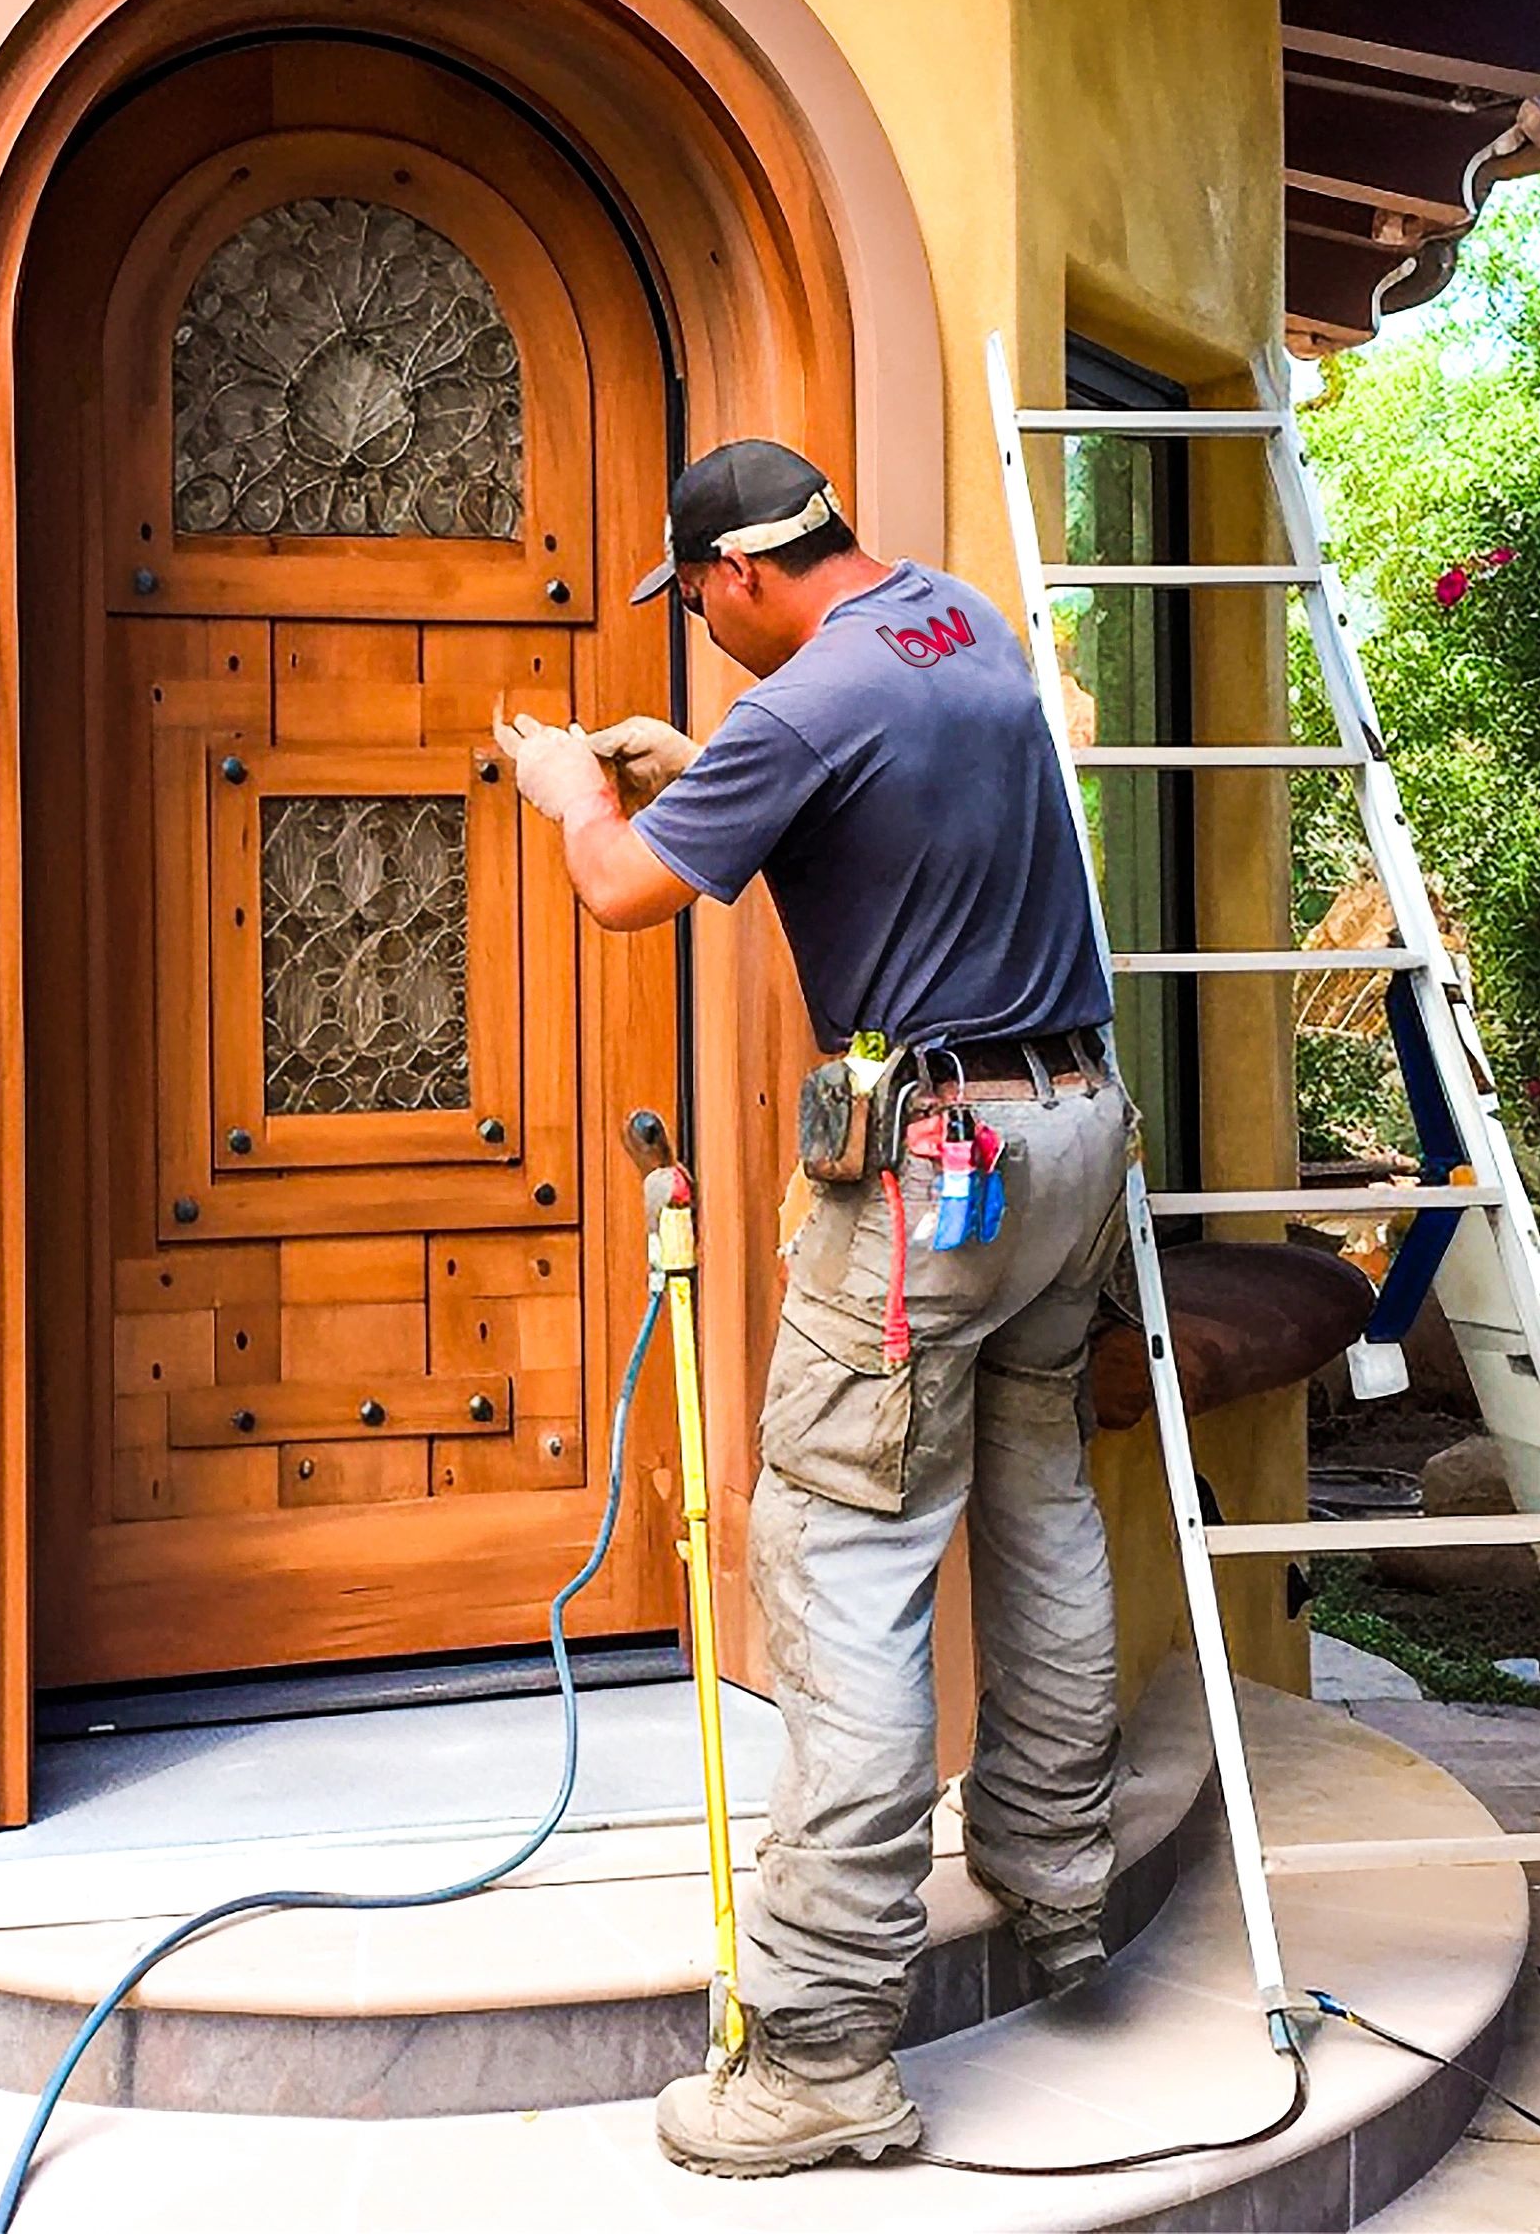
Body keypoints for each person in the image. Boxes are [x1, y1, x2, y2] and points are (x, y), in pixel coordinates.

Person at [493, 437, 1131, 2178]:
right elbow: (892, 803)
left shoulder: (798, 712)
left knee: (840, 1567)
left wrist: (575, 792)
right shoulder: (954, 626)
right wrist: (701, 771)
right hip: (1072, 1133)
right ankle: (1059, 1878)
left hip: (932, 1183)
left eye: (692, 599)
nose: (699, 627)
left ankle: (828, 2052)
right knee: (1039, 1499)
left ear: (735, 575)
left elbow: (625, 892)